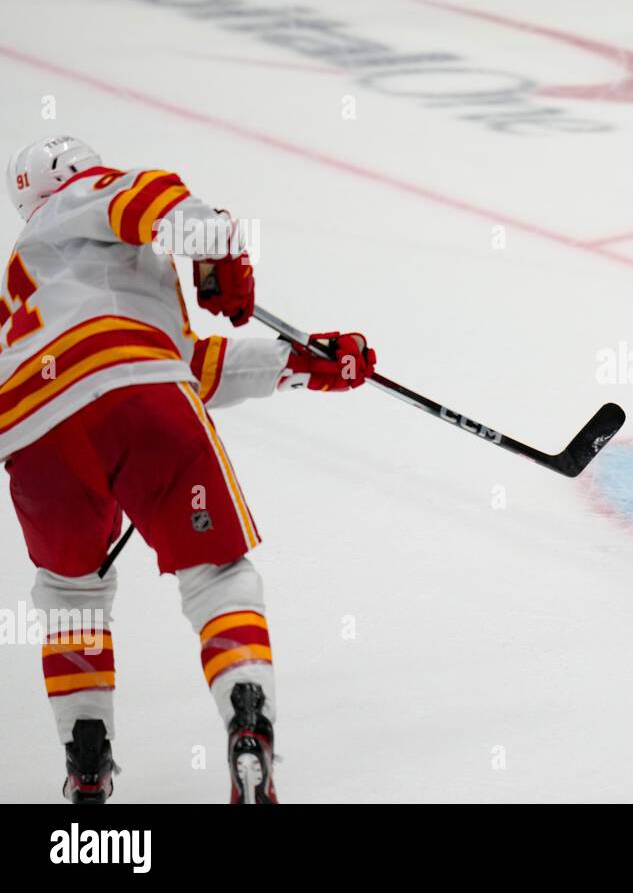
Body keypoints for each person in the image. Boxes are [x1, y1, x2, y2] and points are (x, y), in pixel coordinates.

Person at [4, 135, 377, 802]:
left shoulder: (29, 291)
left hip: (33, 438)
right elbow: (155, 200)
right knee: (216, 576)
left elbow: (189, 365)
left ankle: (85, 761)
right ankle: (245, 721)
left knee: (71, 596)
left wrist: (301, 364)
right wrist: (218, 252)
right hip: (139, 396)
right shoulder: (77, 201)